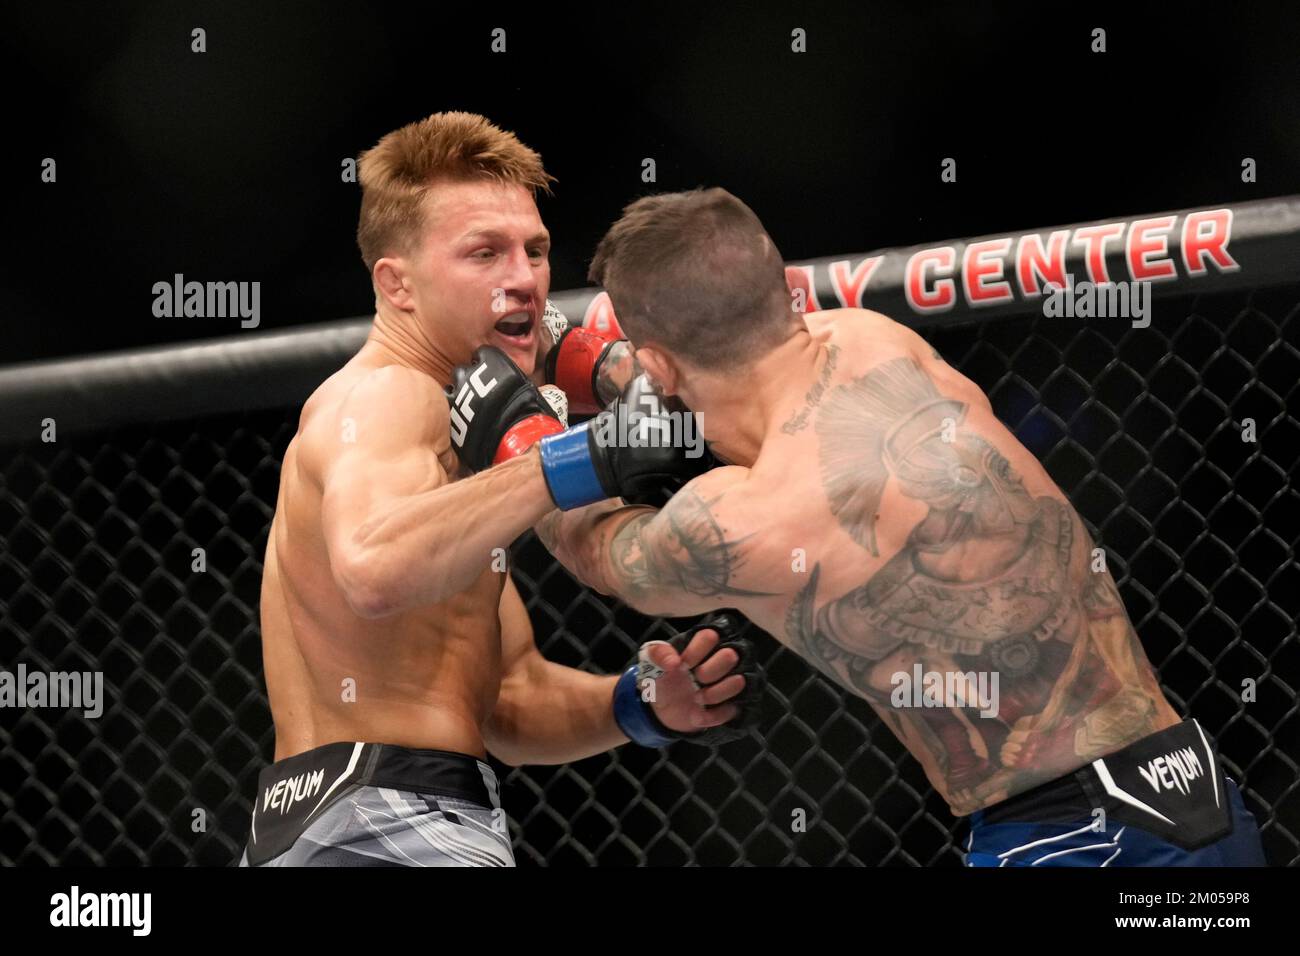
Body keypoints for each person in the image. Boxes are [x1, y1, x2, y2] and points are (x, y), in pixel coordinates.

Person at [457, 186, 1267, 867]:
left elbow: (602, 552)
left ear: (661, 362)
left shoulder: (742, 521)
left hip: (1069, 839)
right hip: (1190, 785)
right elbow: (733, 380)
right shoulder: (875, 341)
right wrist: (605, 366)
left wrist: (524, 441)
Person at [239, 118, 762, 868]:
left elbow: (506, 699)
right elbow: (373, 567)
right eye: (483, 253)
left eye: (536, 250)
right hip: (382, 817)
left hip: (355, 821)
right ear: (397, 283)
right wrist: (584, 457)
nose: (523, 277)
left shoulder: (452, 450)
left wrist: (640, 705)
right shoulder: (388, 397)